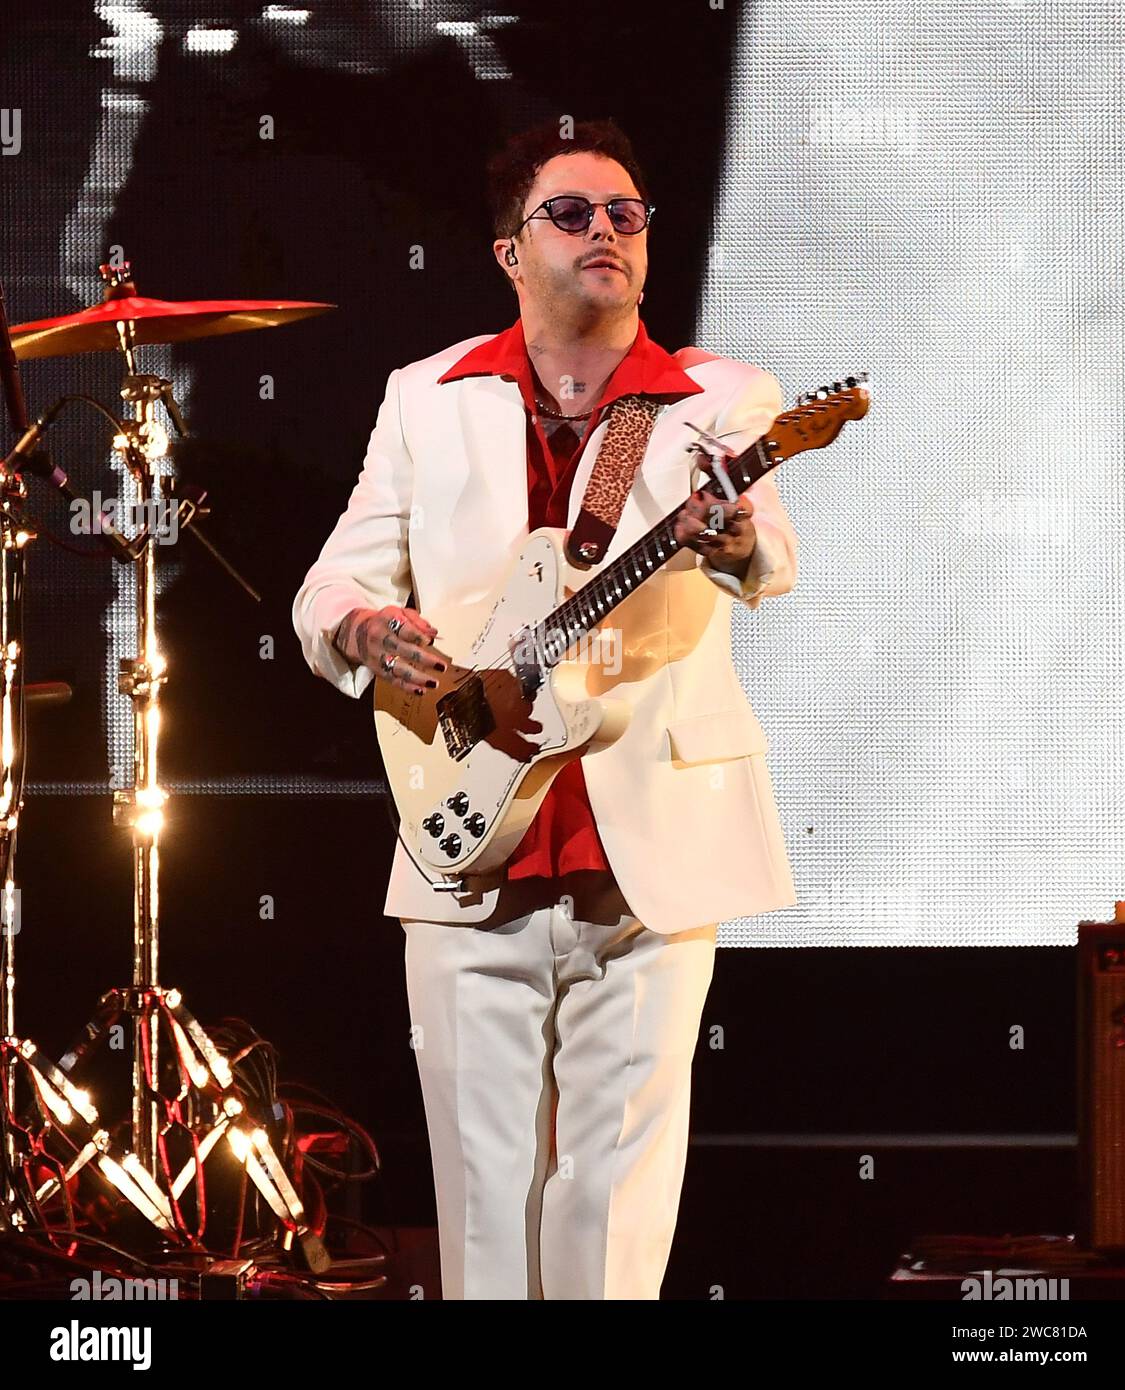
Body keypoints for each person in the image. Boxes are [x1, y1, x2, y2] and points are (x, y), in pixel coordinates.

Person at [292, 117, 799, 1299]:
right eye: (570, 213)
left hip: (646, 847)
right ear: (509, 251)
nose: (606, 231)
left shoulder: (718, 395)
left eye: (626, 213)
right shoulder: (426, 397)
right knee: (482, 1195)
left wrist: (730, 531)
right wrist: (371, 632)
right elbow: (331, 586)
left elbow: (768, 556)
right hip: (469, 832)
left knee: (615, 1200)